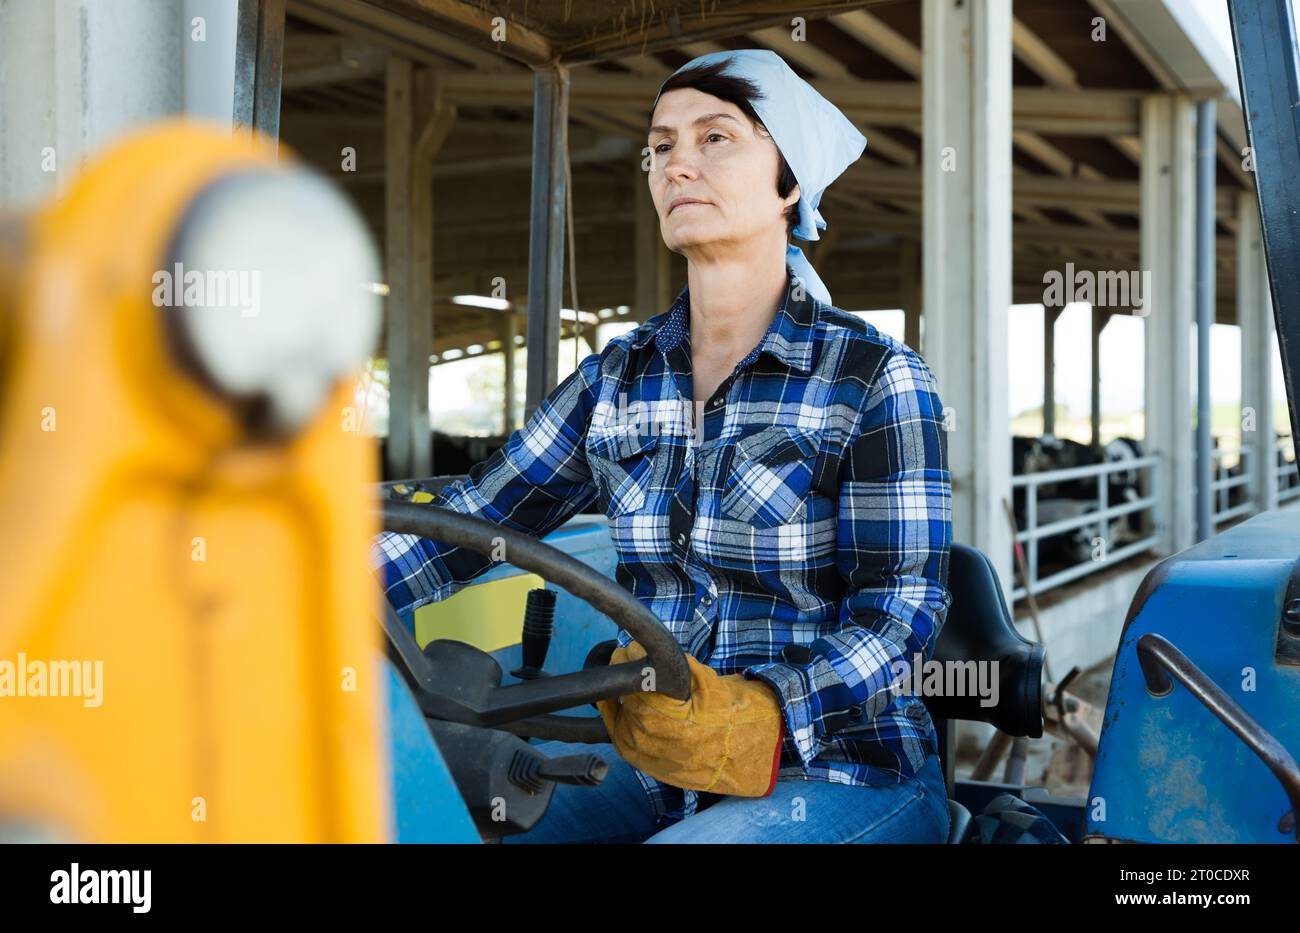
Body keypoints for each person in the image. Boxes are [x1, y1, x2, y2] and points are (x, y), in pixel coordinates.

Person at [372, 49, 952, 844]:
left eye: (716, 138)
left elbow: (903, 608)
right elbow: (479, 513)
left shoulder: (873, 377)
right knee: (437, 828)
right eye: (661, 146)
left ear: (790, 186)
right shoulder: (619, 377)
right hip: (651, 764)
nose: (679, 164)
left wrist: (771, 708)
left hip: (835, 768)